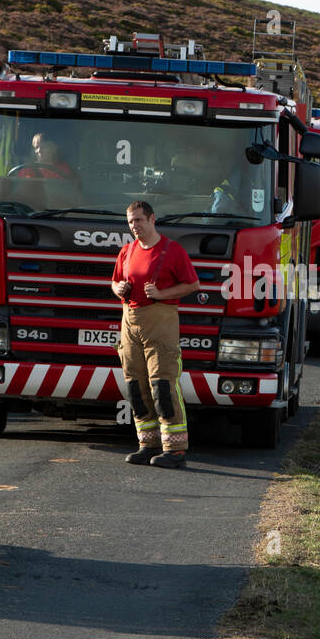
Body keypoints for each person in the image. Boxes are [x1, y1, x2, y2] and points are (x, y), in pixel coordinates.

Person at [111, 201, 200, 469]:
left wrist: (161, 294)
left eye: (139, 220)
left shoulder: (172, 251)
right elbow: (113, 281)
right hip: (130, 323)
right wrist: (119, 289)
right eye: (130, 222)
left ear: (152, 219)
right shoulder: (126, 251)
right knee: (136, 388)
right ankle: (147, 444)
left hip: (160, 323)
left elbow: (193, 284)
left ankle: (175, 450)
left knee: (162, 386)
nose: (134, 226)